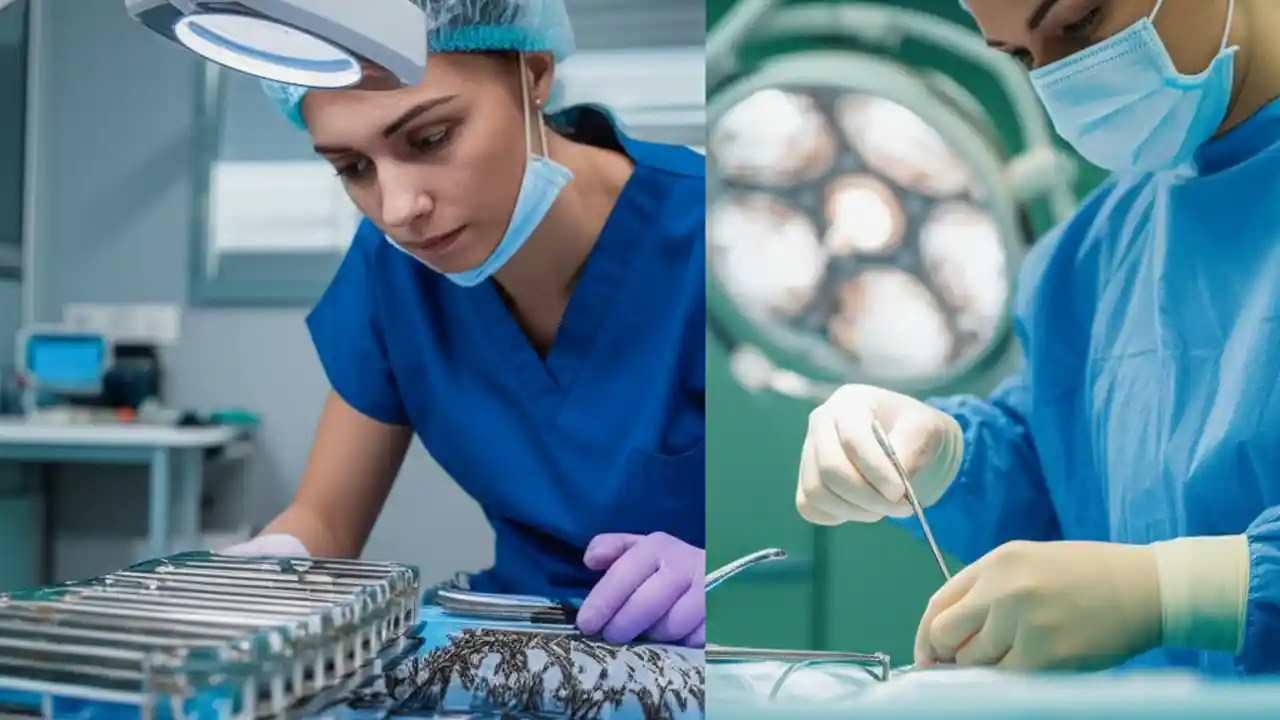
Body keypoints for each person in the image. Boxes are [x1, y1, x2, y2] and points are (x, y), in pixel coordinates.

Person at [795, 0, 1280, 675]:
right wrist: (948, 457)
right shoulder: (1094, 249)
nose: (1061, 75)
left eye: (1078, 21)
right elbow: (1068, 466)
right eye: (1019, 56)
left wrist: (1181, 591)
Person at [220, 0, 706, 648]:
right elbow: (325, 522)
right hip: (509, 650)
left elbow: (832, 509)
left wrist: (722, 579)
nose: (398, 209)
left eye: (429, 139)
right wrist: (271, 563)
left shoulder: (713, 238)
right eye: (352, 168)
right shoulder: (393, 272)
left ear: (533, 73)